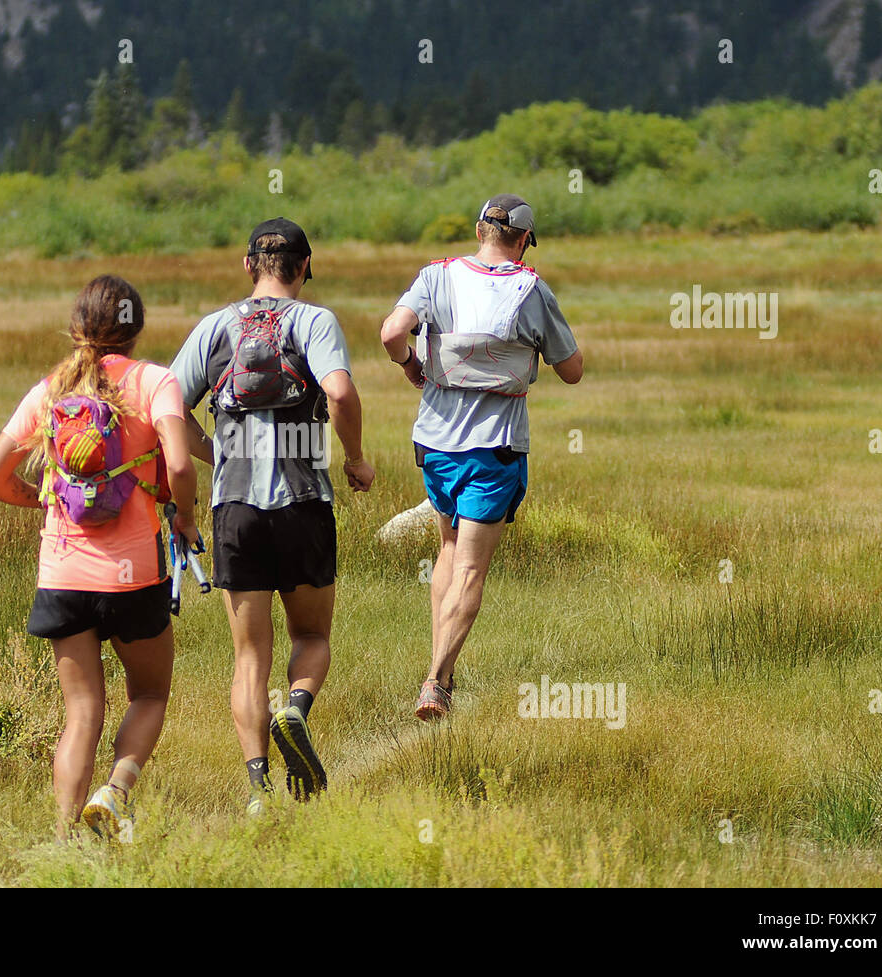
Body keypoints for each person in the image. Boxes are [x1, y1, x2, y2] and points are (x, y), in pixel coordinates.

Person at [0, 274, 198, 837]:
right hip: (134, 577)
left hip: (62, 573)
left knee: (82, 712)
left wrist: (45, 505)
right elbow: (179, 463)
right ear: (136, 327)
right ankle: (115, 792)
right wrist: (187, 517)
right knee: (149, 693)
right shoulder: (155, 381)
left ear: (78, 327)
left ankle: (62, 837)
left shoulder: (49, 389)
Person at [170, 217, 374, 814]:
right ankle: (297, 708)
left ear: (247, 266)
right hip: (304, 502)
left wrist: (216, 452)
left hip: (235, 507)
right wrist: (356, 458)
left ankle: (258, 787)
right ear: (307, 266)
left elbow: (169, 409)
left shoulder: (214, 326)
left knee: (249, 656)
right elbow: (338, 392)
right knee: (311, 635)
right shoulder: (316, 321)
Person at [380, 195, 583, 720]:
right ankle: (434, 683)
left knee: (448, 550)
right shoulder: (529, 288)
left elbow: (390, 332)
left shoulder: (435, 276)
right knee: (470, 567)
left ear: (479, 230)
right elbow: (573, 370)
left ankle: (439, 673)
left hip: (434, 442)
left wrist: (410, 365)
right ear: (522, 241)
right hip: (494, 446)